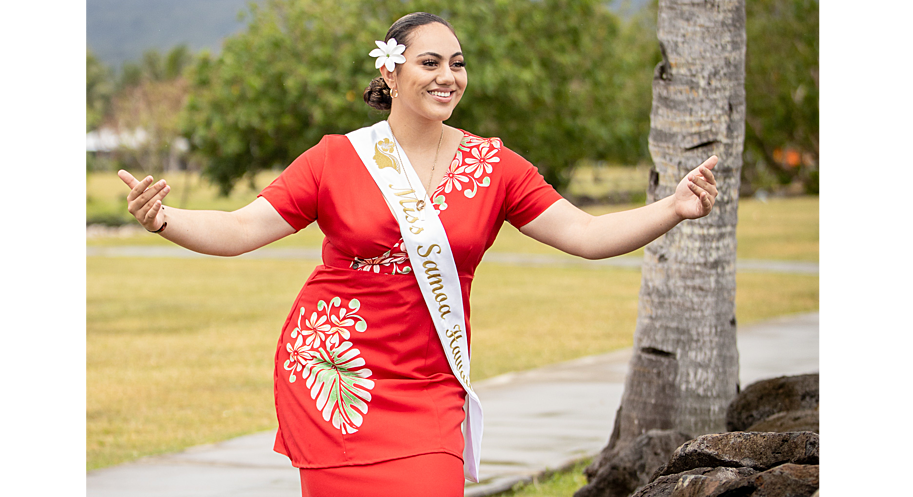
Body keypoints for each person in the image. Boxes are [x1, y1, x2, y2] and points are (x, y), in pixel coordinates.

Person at [117, 12, 718, 497]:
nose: (447, 76)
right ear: (392, 71)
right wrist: (164, 218)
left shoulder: (496, 167)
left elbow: (586, 236)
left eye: (457, 64)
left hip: (429, 388)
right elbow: (243, 228)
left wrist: (673, 208)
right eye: (429, 62)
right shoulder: (335, 158)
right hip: (337, 378)